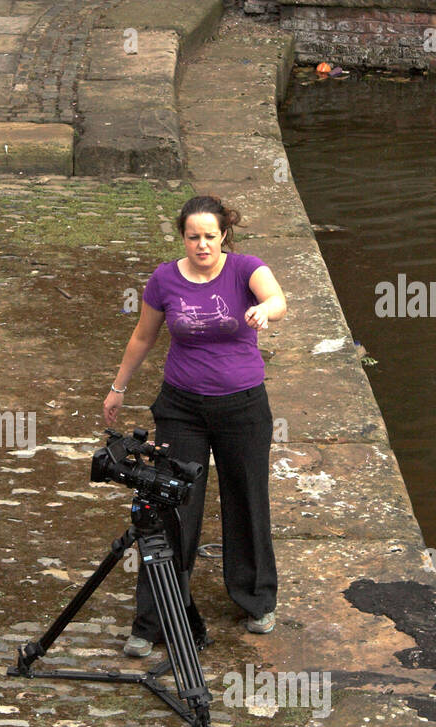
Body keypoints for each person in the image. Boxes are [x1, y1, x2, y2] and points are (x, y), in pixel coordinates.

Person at [103, 195, 286, 657]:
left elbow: (277, 298)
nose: (202, 244)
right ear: (182, 236)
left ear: (224, 234)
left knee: (246, 497)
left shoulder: (246, 268)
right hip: (181, 407)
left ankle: (255, 598)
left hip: (243, 408)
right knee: (170, 506)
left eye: (210, 235)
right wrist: (118, 388)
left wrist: (266, 312)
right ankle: (155, 618)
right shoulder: (165, 278)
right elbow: (143, 336)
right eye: (193, 236)